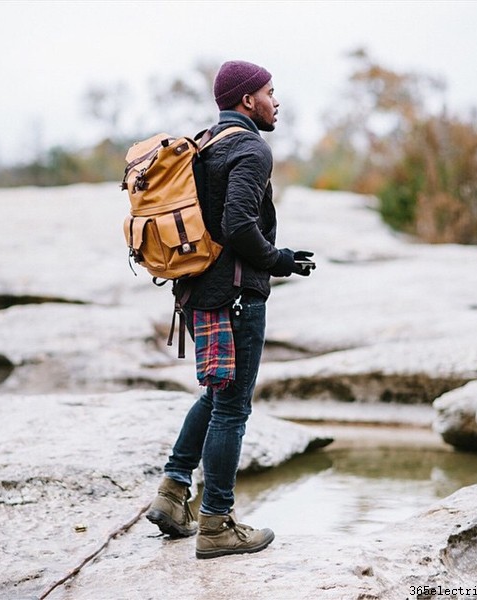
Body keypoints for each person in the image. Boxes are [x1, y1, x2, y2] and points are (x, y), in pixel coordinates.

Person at [146, 60, 314, 559]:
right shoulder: (250, 147)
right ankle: (217, 522)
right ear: (247, 101)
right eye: (269, 91)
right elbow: (239, 224)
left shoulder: (206, 142)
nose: (276, 101)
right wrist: (280, 260)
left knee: (218, 394)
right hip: (236, 298)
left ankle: (174, 493)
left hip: (197, 295)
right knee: (233, 407)